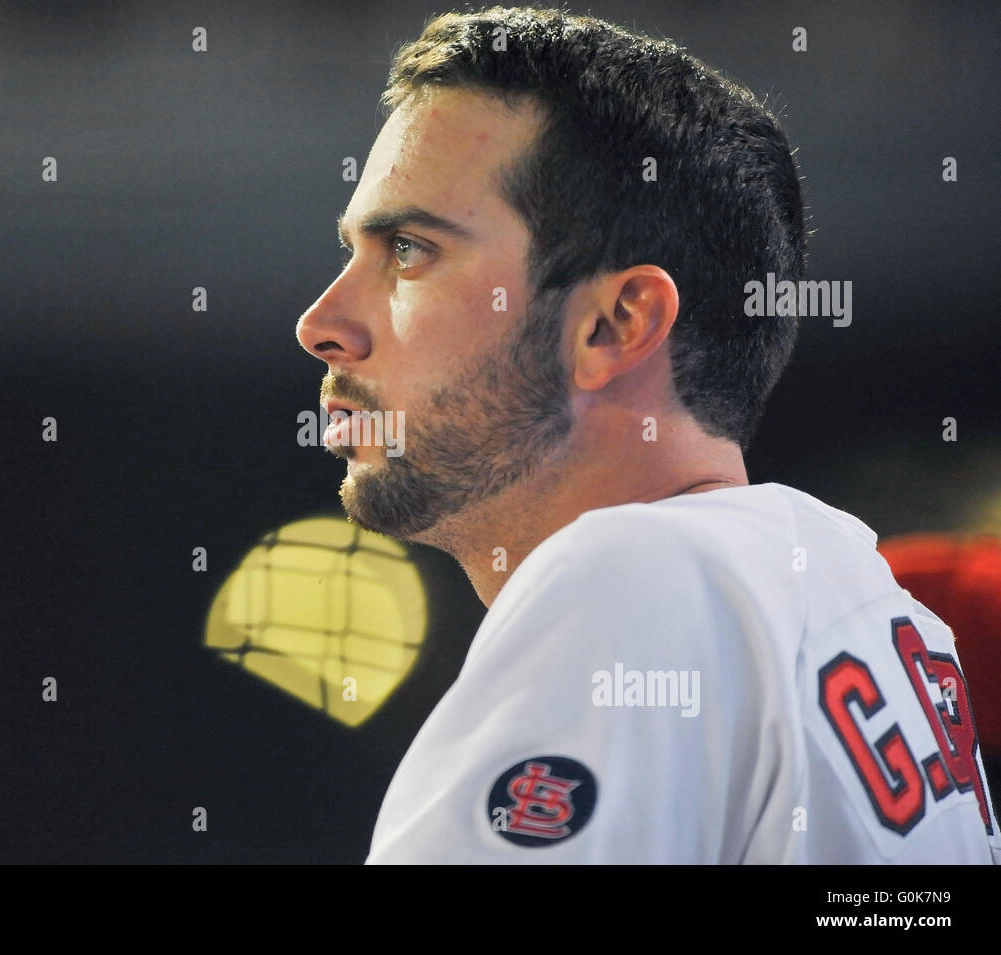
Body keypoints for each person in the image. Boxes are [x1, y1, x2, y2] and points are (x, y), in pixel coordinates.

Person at [293, 7, 999, 863]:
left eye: (408, 250)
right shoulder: (851, 586)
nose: (321, 323)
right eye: (351, 251)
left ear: (615, 326)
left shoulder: (632, 575)